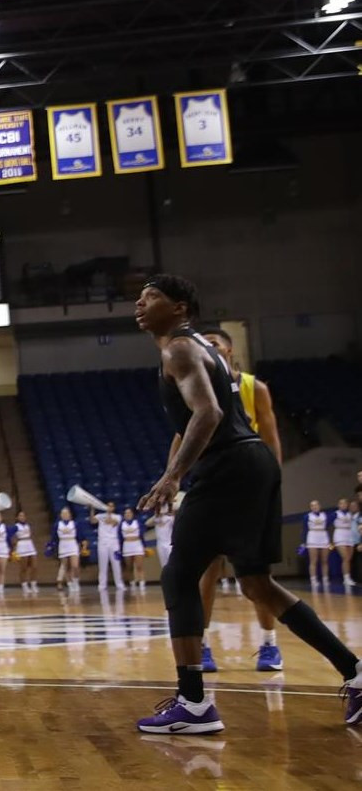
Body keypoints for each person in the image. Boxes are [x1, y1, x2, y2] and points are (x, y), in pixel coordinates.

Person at [132, 274, 362, 734]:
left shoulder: (178, 348)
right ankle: (356, 673)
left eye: (151, 296)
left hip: (228, 466)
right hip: (251, 463)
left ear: (180, 308)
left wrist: (173, 474)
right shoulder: (203, 348)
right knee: (258, 584)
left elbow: (208, 413)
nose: (139, 303)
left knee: (179, 574)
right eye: (138, 297)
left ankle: (194, 703)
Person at [194, 327, 283, 673]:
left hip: (249, 485)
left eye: (213, 343)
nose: (207, 349)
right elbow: (180, 435)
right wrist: (172, 477)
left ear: (229, 351)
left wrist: (272, 486)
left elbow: (272, 439)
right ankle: (202, 646)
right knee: (208, 572)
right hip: (214, 483)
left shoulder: (254, 388)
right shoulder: (196, 385)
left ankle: (269, 645)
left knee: (257, 576)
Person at [90, 502, 124, 592]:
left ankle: (119, 584)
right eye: (108, 506)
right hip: (102, 543)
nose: (109, 507)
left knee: (116, 564)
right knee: (102, 564)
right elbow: (92, 521)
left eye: (111, 506)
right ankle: (102, 585)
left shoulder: (118, 516)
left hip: (114, 543)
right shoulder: (100, 515)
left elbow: (112, 522)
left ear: (113, 508)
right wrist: (92, 509)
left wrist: (107, 517)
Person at [305, 500, 332, 590]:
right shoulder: (307, 516)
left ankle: (325, 579)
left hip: (323, 537)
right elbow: (304, 529)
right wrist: (303, 542)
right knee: (314, 561)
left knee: (324, 560)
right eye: (312, 505)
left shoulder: (325, 515)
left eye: (316, 505)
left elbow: (328, 525)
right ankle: (313, 580)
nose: (314, 507)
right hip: (312, 537)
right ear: (310, 507)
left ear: (319, 506)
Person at [120, 507, 147, 589]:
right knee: (129, 567)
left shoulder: (137, 522)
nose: (127, 514)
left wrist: (144, 546)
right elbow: (119, 536)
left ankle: (142, 584)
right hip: (127, 545)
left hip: (137, 544)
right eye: (126, 513)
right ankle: (132, 584)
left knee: (139, 566)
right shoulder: (121, 524)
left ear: (132, 514)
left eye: (129, 513)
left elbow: (142, 533)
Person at [13, 512, 39, 594]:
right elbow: (13, 537)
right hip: (21, 545)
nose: (22, 517)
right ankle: (24, 585)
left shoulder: (28, 525)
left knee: (34, 566)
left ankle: (33, 584)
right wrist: (14, 547)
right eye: (20, 515)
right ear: (17, 517)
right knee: (23, 568)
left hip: (30, 544)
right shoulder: (15, 526)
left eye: (23, 515)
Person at [56, 508, 81, 592]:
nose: (65, 515)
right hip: (63, 545)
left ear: (70, 515)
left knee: (75, 566)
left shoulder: (75, 524)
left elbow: (79, 535)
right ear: (61, 515)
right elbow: (54, 536)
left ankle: (76, 582)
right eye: (63, 514)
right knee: (66, 566)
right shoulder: (57, 525)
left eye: (67, 513)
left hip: (72, 544)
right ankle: (69, 584)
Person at [335, 498, 357, 590]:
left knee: (349, 558)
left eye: (345, 503)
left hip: (349, 535)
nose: (343, 505)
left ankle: (349, 577)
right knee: (345, 557)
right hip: (339, 535)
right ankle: (346, 578)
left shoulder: (350, 514)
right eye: (341, 503)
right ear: (338, 505)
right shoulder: (335, 514)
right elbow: (326, 523)